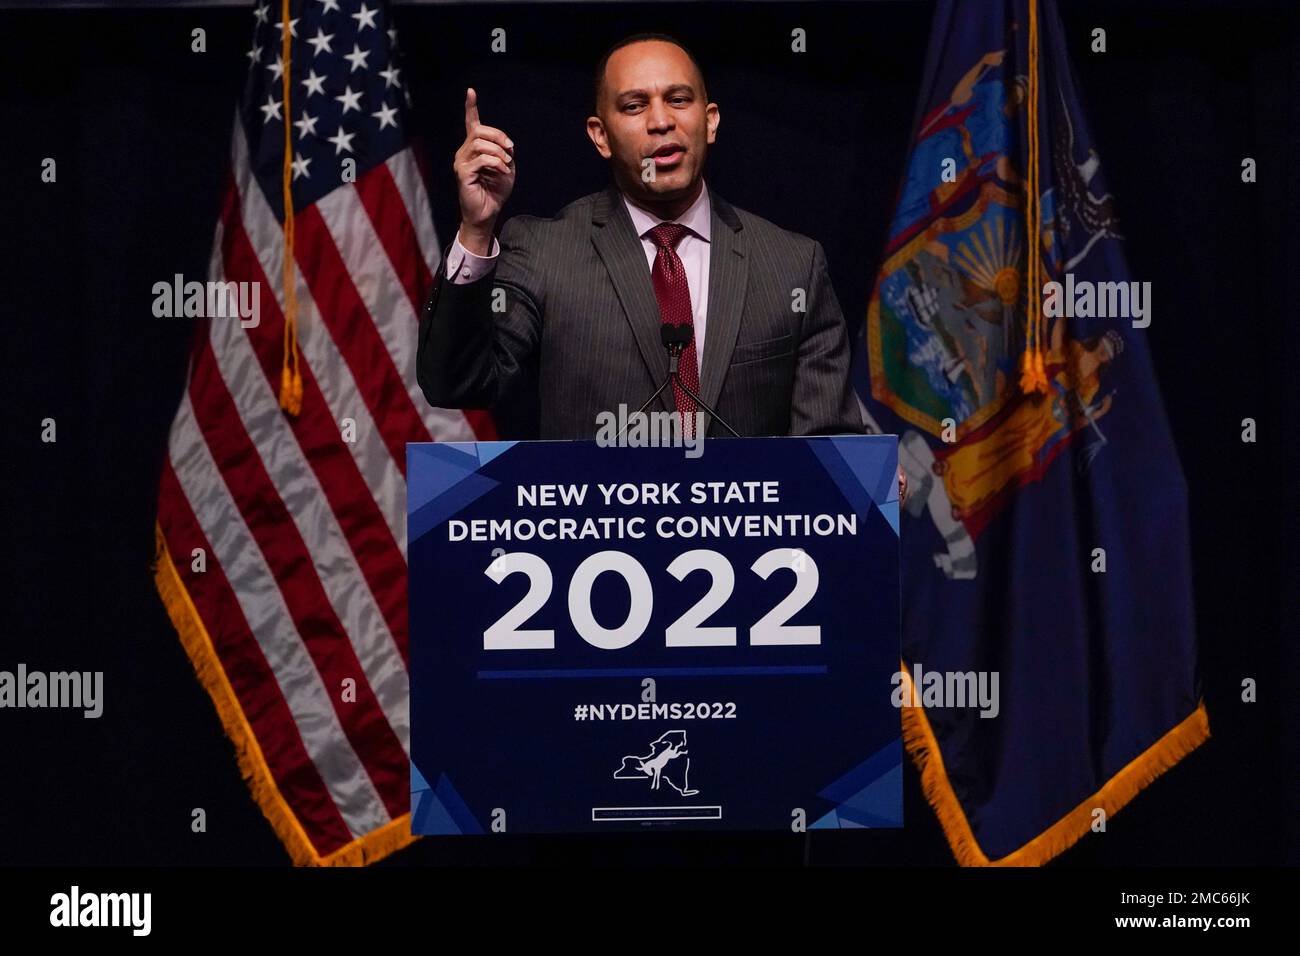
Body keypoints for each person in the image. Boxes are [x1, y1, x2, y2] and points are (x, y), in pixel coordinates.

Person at [416, 32, 867, 444]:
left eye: (678, 99)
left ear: (709, 121)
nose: (660, 121)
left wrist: (867, 478)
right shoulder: (544, 250)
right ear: (600, 136)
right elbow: (458, 382)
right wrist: (477, 228)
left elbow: (829, 443)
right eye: (634, 106)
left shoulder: (793, 265)